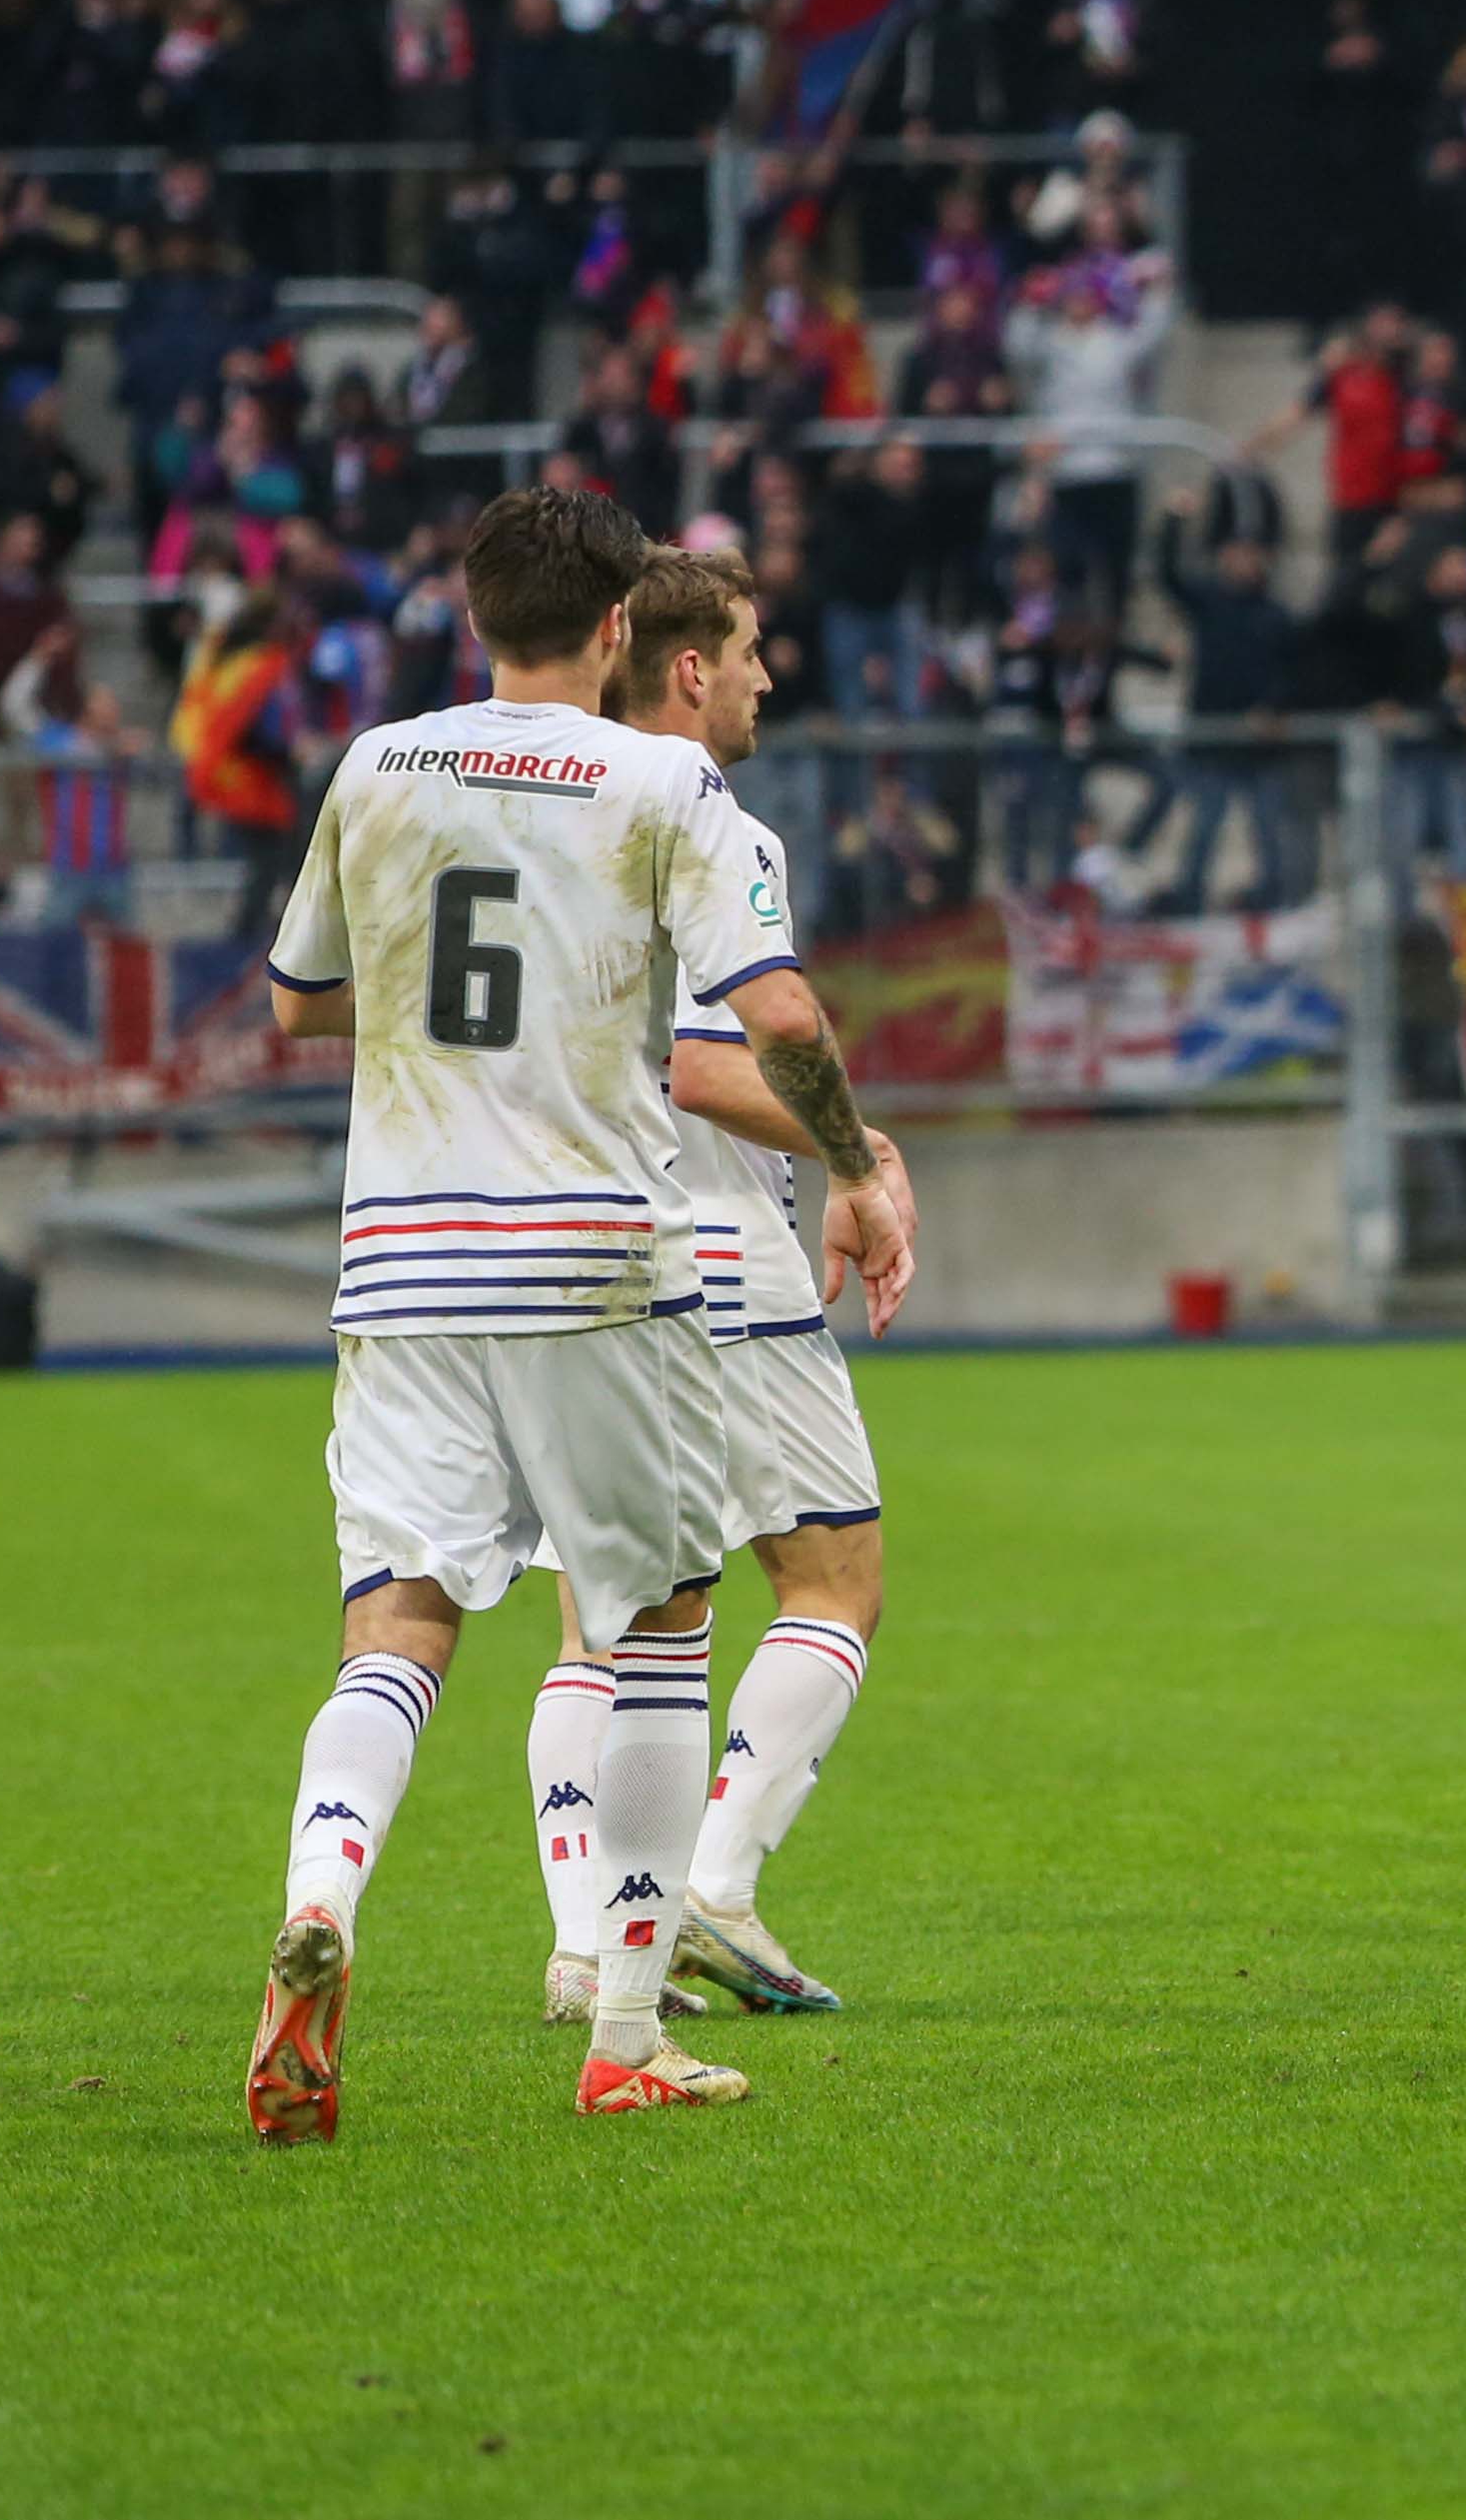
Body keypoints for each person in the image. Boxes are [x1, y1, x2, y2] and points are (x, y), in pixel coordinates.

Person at [243, 485, 915, 2140]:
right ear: (622, 627)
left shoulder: (379, 766)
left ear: (477, 617)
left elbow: (296, 1003)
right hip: (596, 1262)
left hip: (398, 1256)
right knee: (662, 1622)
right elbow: (778, 1018)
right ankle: (624, 2027)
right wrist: (857, 1158)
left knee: (397, 1621)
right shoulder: (661, 778)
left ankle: (325, 1898)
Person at [524, 547, 911, 2027]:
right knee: (832, 1577)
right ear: (689, 666)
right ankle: (713, 1886)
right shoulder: (701, 818)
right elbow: (699, 1061)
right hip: (712, 1249)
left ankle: (583, 1940)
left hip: (570, 1254)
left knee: (598, 1620)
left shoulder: (541, 813)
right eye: (750, 648)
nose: (765, 674)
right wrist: (860, 1150)